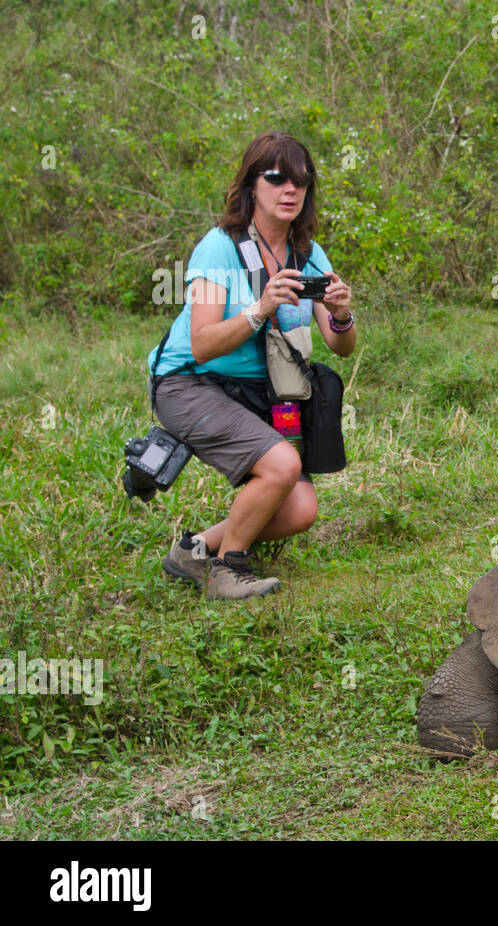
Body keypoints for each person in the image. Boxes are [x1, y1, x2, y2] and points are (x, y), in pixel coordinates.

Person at [148, 131, 356, 599]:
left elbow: (340, 347)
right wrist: (258, 309)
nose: (290, 190)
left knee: (301, 508)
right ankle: (228, 569)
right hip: (189, 382)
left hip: (258, 391)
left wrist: (342, 315)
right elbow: (201, 345)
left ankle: (193, 551)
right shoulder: (218, 248)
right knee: (282, 465)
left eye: (300, 182)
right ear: (251, 186)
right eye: (277, 178)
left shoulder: (307, 254)